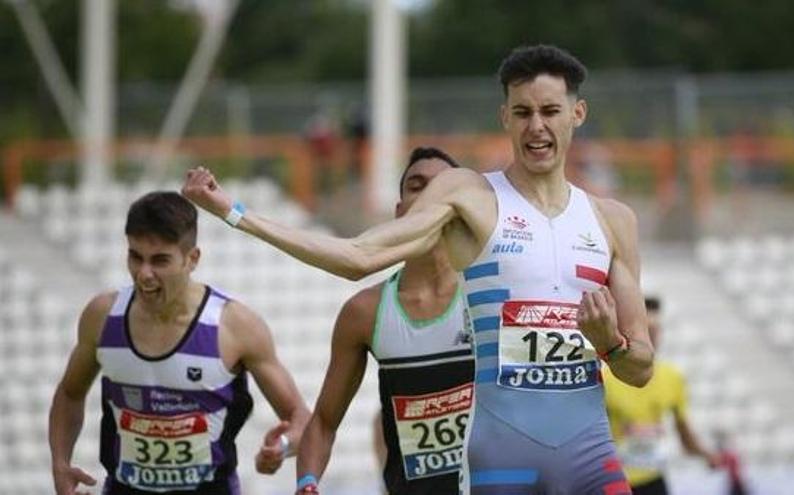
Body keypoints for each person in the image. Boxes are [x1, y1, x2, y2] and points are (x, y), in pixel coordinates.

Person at [183, 44, 654, 495]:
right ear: (504, 117)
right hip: (502, 460)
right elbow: (359, 258)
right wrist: (236, 214)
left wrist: (608, 343)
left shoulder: (614, 221)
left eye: (550, 111)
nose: (537, 127)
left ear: (578, 114)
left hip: (590, 456)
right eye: (523, 112)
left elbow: (640, 370)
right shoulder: (471, 196)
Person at [48, 191, 311, 495]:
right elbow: (69, 393)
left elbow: (301, 419)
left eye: (160, 260)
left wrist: (282, 446)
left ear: (192, 259)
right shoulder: (102, 317)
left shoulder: (235, 326)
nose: (144, 274)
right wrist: (60, 462)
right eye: (135, 257)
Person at [295, 147, 474, 494]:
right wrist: (307, 482)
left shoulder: (490, 292)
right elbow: (323, 423)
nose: (428, 197)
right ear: (399, 211)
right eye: (417, 186)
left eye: (442, 188)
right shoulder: (364, 313)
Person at [603, 296, 718, 495]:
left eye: (656, 330)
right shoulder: (604, 376)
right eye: (648, 330)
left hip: (653, 478)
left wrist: (707, 455)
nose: (653, 336)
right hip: (613, 480)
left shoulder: (672, 377)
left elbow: (684, 435)